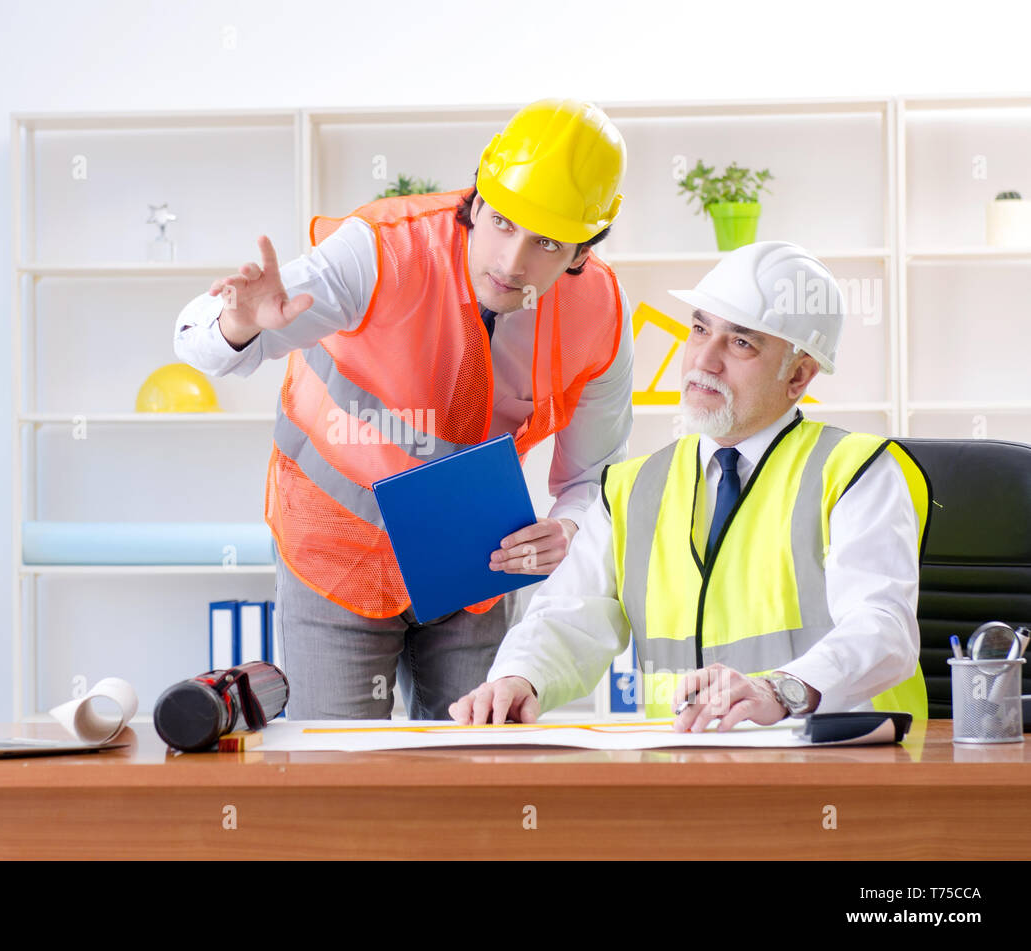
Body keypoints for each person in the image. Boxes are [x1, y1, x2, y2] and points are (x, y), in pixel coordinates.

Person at [174, 98, 635, 720]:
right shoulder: (380, 250)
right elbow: (202, 346)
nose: (511, 261)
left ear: (582, 252)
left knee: (474, 774)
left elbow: (593, 475)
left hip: (475, 562)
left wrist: (569, 528)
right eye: (501, 222)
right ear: (476, 198)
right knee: (342, 779)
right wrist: (235, 324)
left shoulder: (599, 310)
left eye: (548, 243)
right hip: (337, 553)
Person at [450, 240, 931, 732]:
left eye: (741, 343)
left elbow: (883, 630)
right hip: (685, 762)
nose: (705, 360)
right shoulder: (632, 487)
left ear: (799, 375)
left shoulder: (856, 471)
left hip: (838, 763)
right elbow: (568, 616)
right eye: (700, 329)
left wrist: (781, 689)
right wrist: (519, 678)